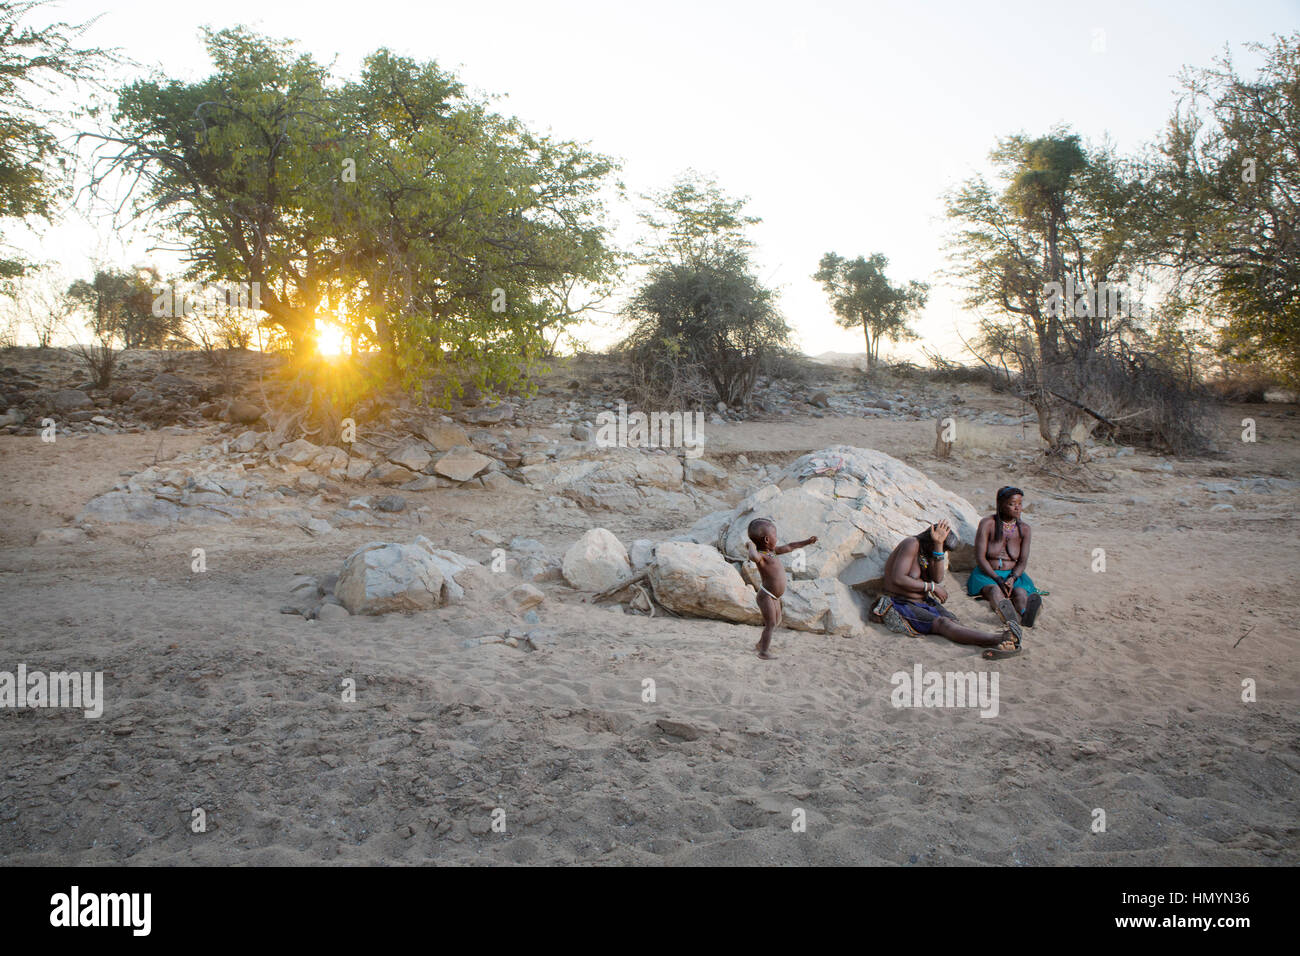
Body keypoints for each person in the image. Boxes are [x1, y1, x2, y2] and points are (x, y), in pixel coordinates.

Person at [872, 518, 1022, 659]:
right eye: (941, 547)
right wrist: (930, 586)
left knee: (952, 622)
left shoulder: (929, 552)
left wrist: (938, 549)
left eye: (944, 550)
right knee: (943, 624)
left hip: (924, 602)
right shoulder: (911, 544)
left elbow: (937, 578)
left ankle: (999, 642)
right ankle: (1000, 638)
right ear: (930, 539)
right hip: (901, 604)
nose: (942, 553)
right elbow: (899, 578)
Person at [968, 486, 1044, 627]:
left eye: (1020, 504)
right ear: (1001, 505)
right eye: (1012, 504)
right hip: (987, 574)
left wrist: (1012, 578)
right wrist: (996, 578)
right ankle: (1008, 617)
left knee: (1020, 592)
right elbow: (980, 558)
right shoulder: (988, 524)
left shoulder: (1025, 529)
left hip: (1013, 574)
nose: (1017, 508)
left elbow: (1022, 561)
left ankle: (1024, 613)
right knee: (994, 591)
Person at [745, 518, 818, 660]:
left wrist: (807, 542)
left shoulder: (772, 552)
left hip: (774, 596)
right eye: (775, 536)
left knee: (776, 621)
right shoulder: (761, 556)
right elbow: (753, 556)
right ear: (767, 539)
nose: (777, 539)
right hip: (765, 595)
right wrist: (750, 544)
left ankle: (760, 644)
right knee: (771, 623)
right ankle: (763, 652)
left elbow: (790, 546)